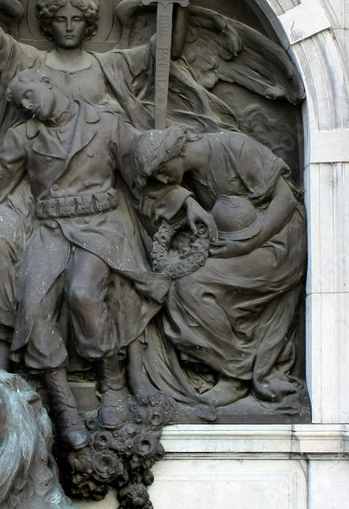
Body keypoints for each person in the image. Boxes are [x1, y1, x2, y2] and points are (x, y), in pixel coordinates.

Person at [0, 69, 211, 448]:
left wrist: (185, 200)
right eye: (20, 104)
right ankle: (64, 408)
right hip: (50, 231)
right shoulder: (22, 137)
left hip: (100, 228)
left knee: (82, 292)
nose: (27, 106)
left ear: (48, 83)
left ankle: (112, 383)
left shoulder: (107, 123)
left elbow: (143, 176)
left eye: (30, 95)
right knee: (31, 304)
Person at [131, 126, 307, 406]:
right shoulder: (188, 174)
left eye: (163, 171)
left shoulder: (237, 148)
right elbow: (152, 193)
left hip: (277, 240)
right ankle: (231, 365)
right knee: (181, 286)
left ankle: (235, 376)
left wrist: (251, 242)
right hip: (234, 241)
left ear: (177, 153)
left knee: (192, 286)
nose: (164, 179)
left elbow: (285, 199)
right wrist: (188, 203)